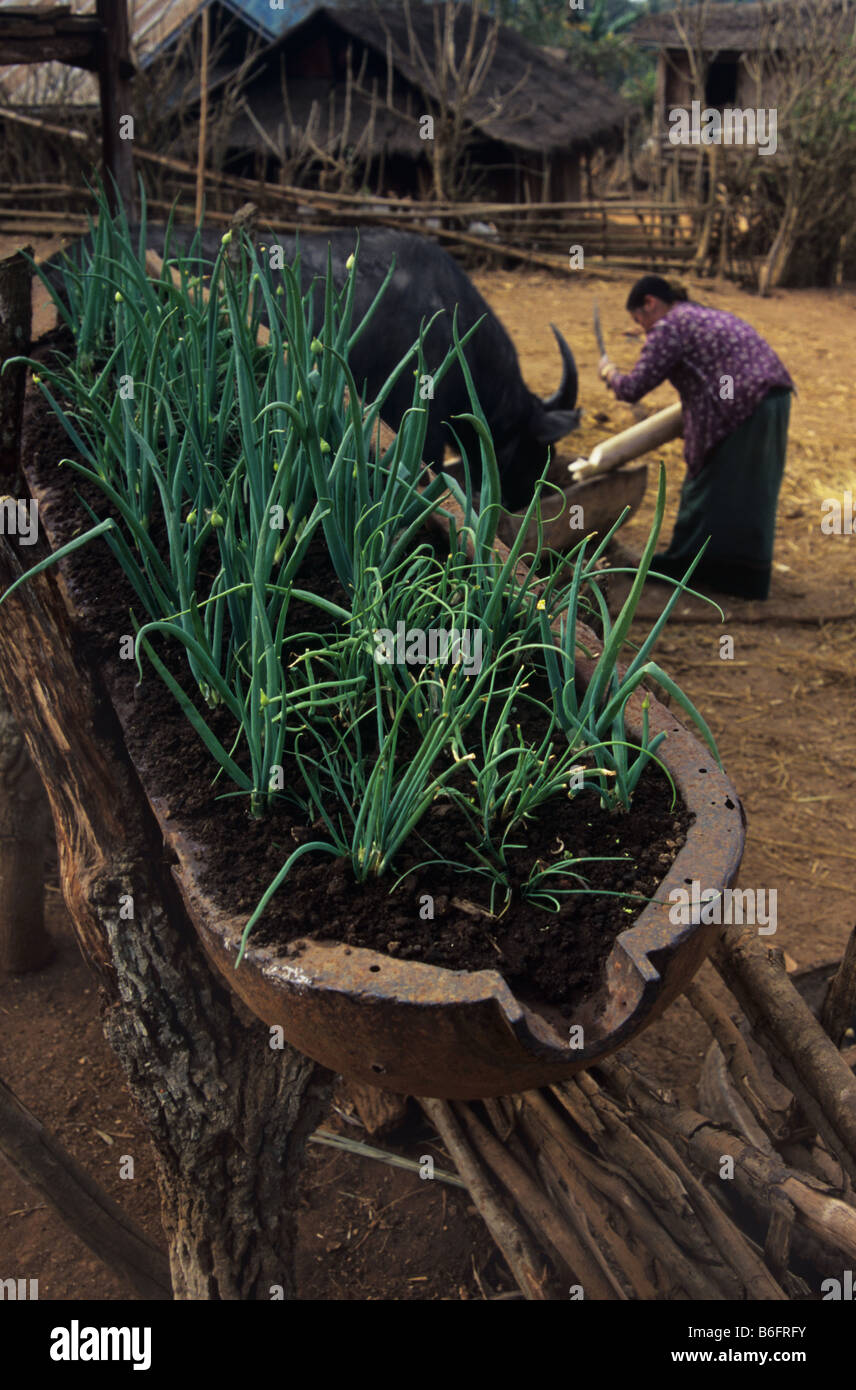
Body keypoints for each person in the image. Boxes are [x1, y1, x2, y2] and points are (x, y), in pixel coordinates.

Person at [599, 274, 794, 600]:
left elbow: (633, 388)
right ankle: (744, 577)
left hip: (742, 404)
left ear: (650, 303)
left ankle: (686, 566)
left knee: (705, 483)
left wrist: (609, 372)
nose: (644, 329)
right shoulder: (699, 314)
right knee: (750, 492)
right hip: (773, 398)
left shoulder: (669, 326)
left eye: (640, 320)